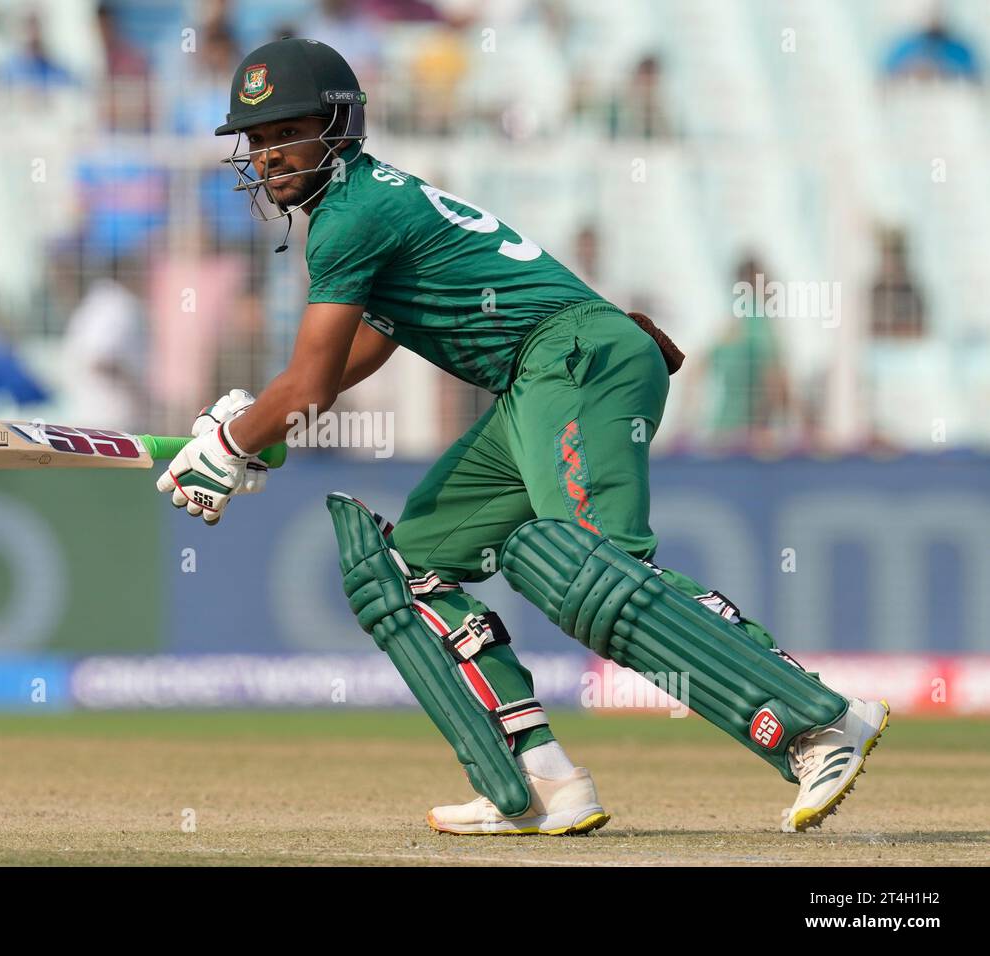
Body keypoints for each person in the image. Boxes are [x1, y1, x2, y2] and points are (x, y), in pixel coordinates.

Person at [157, 38, 888, 835]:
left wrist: (231, 440)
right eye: (257, 141)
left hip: (572, 359)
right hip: (532, 381)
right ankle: (540, 781)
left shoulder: (349, 217)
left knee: (589, 571)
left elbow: (305, 383)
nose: (268, 157)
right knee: (406, 570)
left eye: (285, 132)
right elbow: (327, 376)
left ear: (338, 126)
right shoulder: (363, 202)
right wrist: (260, 428)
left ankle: (820, 722)